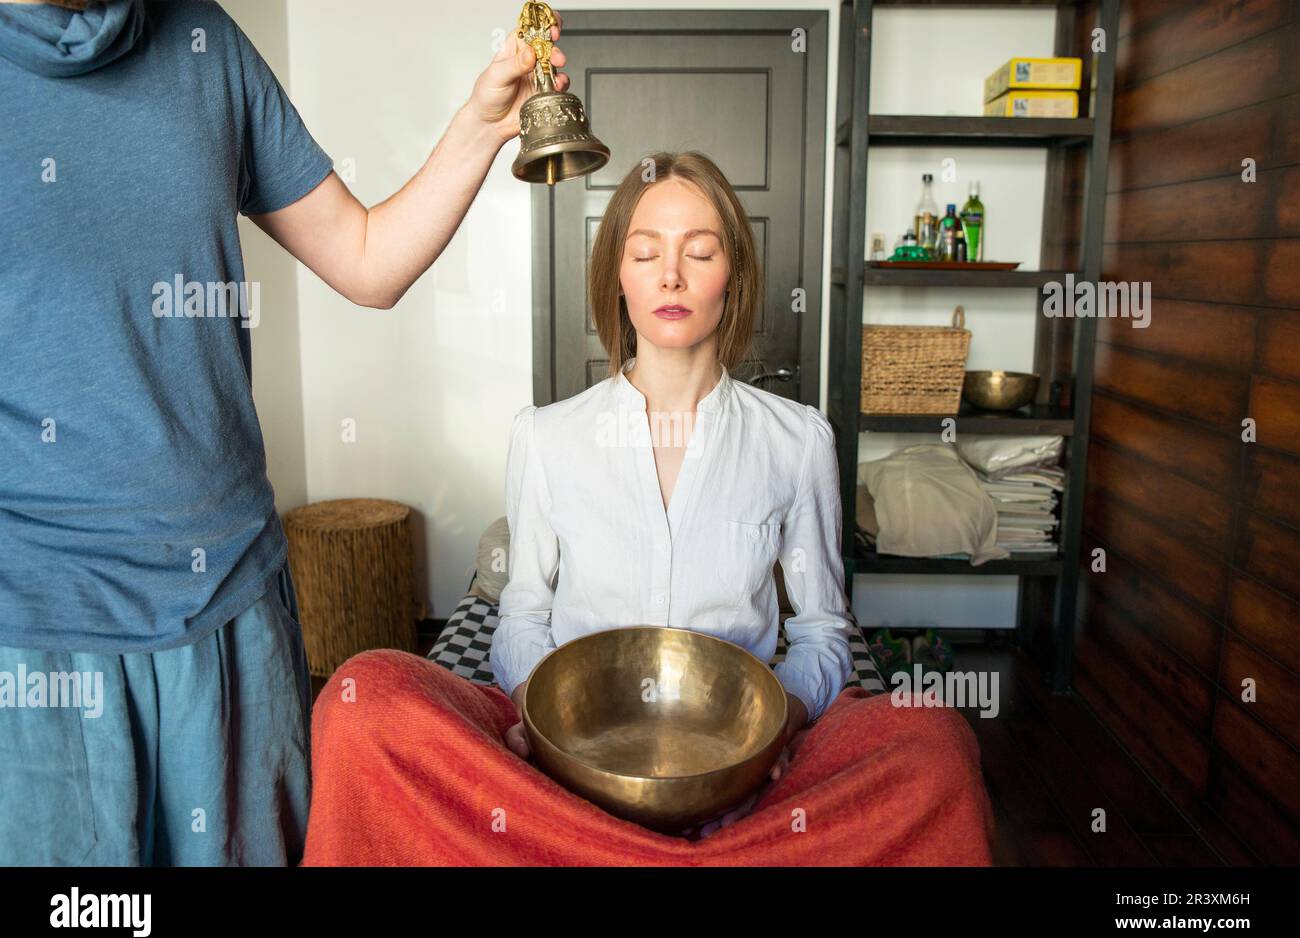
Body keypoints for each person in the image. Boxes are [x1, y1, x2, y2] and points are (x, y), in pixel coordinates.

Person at [301, 153, 997, 865]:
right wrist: (543, 731)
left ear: (734, 276)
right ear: (619, 279)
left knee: (936, 741)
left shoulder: (797, 440)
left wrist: (777, 727)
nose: (672, 275)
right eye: (645, 253)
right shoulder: (545, 435)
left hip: (746, 783)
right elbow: (523, 616)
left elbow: (821, 630)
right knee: (362, 699)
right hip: (568, 782)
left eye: (700, 251)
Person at [0, 0, 567, 865]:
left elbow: (368, 259)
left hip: (233, 603)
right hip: (40, 631)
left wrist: (480, 128)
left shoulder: (203, 39)